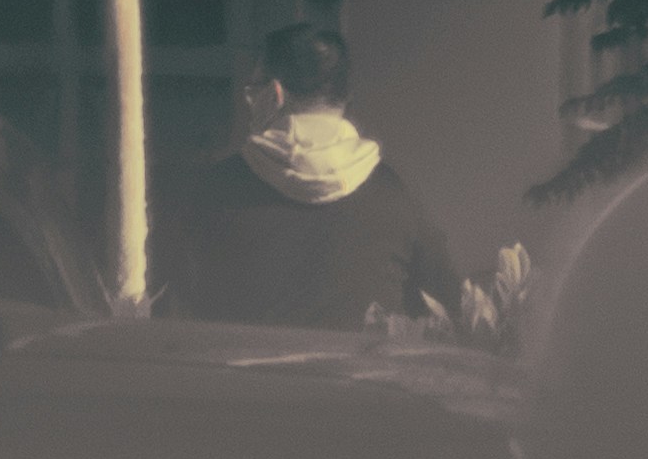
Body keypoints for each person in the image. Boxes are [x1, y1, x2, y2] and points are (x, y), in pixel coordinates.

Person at [161, 24, 462, 329]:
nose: (248, 103)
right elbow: (450, 305)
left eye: (252, 91)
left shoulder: (217, 187)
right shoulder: (393, 191)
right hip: (358, 360)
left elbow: (175, 300)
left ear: (274, 95)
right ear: (345, 97)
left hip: (247, 360)